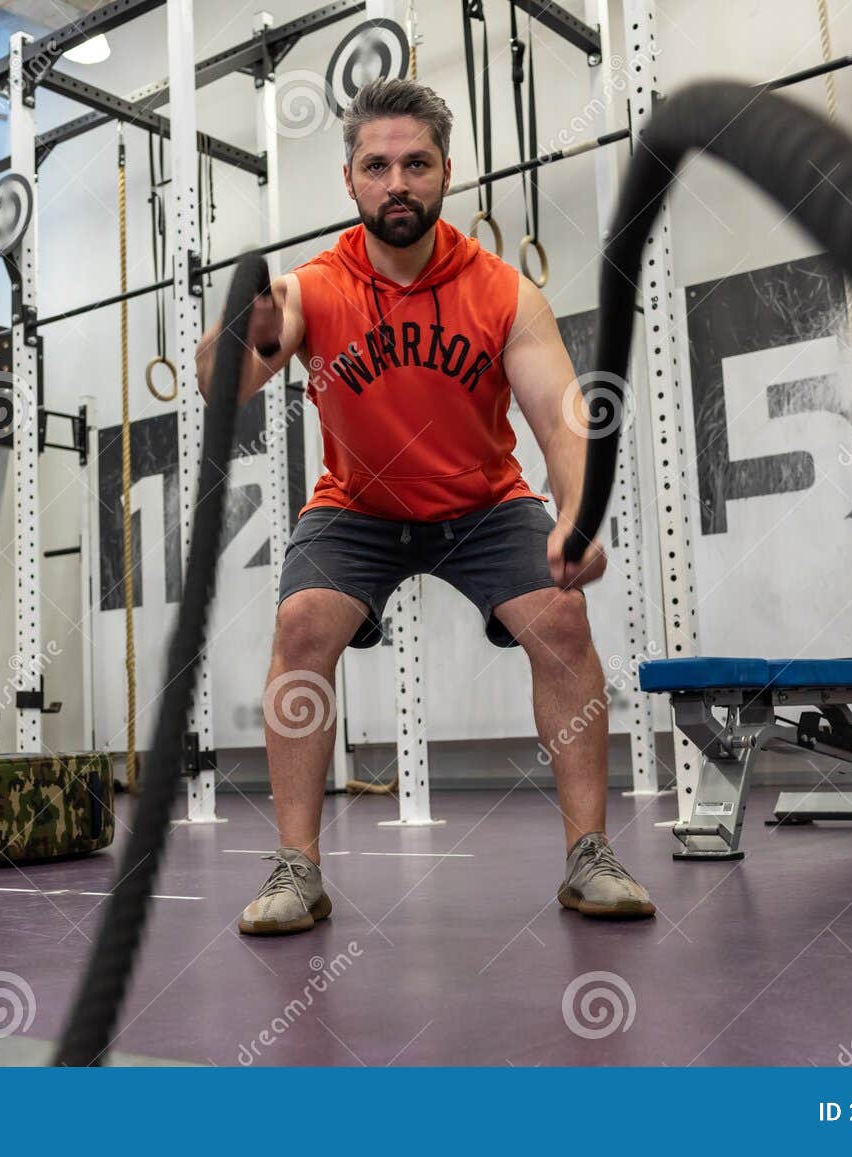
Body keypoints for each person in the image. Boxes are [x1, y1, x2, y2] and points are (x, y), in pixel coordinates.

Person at [196, 78, 655, 935]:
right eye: (377, 165)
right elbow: (228, 381)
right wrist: (245, 326)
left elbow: (559, 418)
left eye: (416, 163)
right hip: (358, 506)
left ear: (448, 173)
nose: (396, 182)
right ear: (349, 180)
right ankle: (298, 868)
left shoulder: (503, 292)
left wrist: (575, 518)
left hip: (482, 503)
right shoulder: (314, 289)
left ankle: (589, 855)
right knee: (301, 623)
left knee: (561, 617)